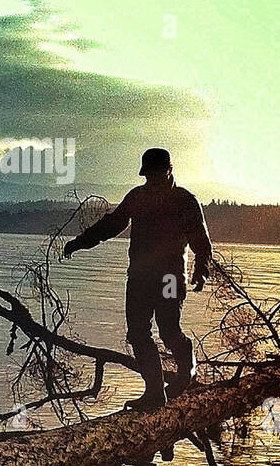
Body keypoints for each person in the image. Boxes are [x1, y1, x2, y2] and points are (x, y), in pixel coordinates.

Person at [62, 148, 212, 412]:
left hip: (169, 278)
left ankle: (187, 370)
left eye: (156, 174)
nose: (151, 180)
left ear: (169, 170)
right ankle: (155, 392)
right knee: (138, 333)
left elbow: (201, 241)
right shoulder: (137, 196)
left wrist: (200, 269)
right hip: (140, 277)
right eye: (148, 176)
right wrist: (79, 243)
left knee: (168, 330)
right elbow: (111, 225)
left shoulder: (185, 200)